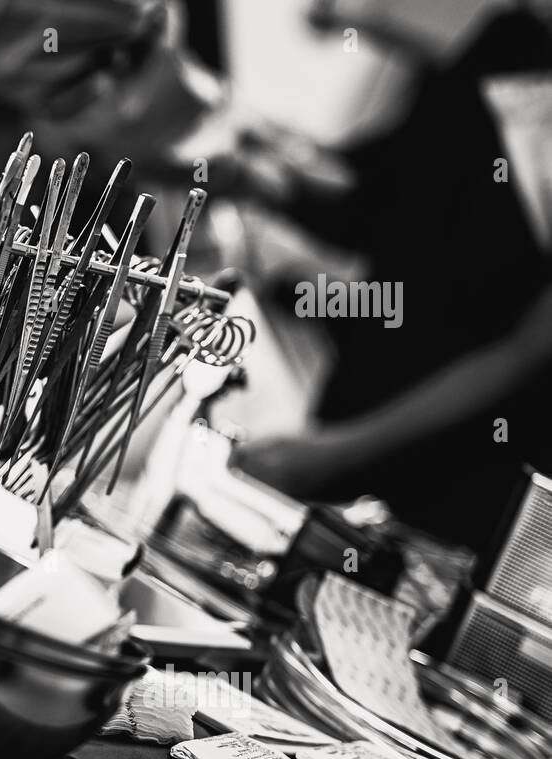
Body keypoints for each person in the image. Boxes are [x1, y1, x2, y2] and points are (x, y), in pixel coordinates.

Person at [226, 2, 552, 551]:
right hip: (349, 414)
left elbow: (528, 354)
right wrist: (252, 171)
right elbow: (377, 205)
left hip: (452, 486)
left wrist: (337, 450)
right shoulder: (512, 44)